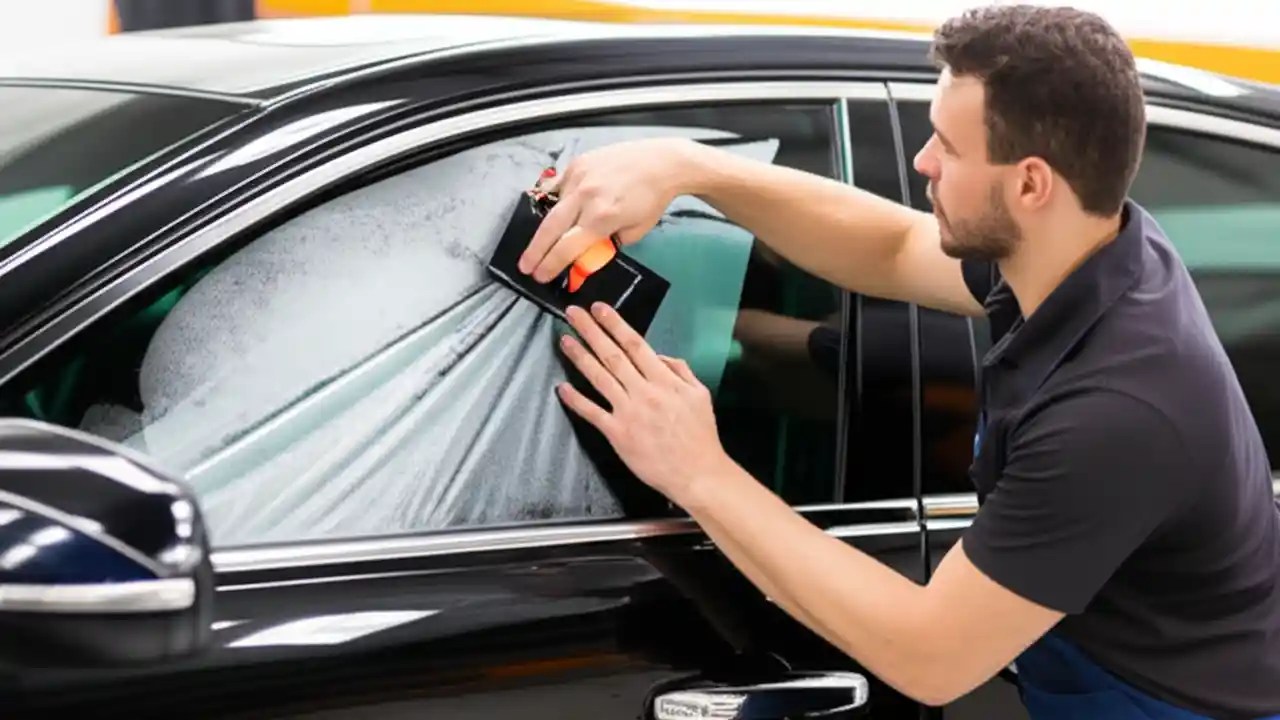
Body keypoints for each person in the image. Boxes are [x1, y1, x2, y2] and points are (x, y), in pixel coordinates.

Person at [516, 5, 1280, 719]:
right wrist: (690, 168)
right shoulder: (1080, 251)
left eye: (948, 145)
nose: (922, 160)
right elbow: (890, 247)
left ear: (1031, 183)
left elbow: (930, 656)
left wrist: (695, 469)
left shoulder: (1120, 415)